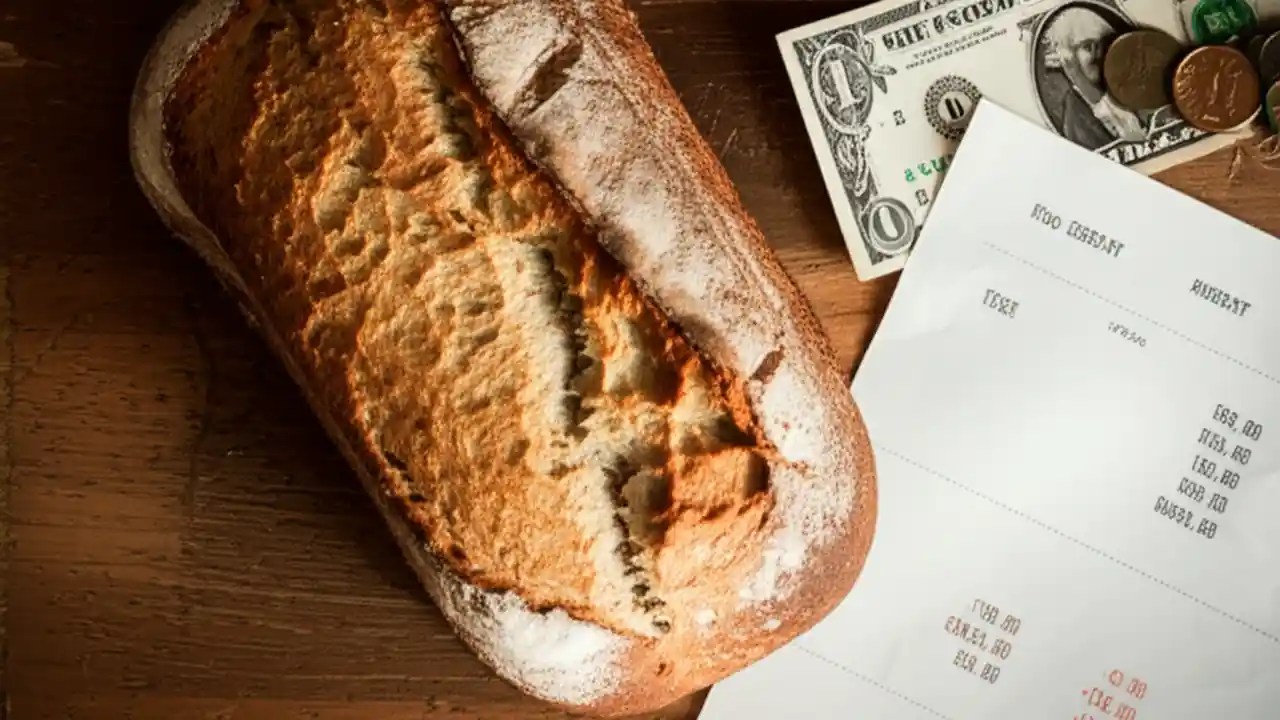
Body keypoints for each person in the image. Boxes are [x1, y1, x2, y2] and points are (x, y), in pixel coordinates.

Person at [1041, 9, 1147, 149]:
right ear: (1068, 57)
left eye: (1106, 43)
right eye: (1088, 47)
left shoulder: (1133, 89)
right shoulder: (1075, 122)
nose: (1100, 54)